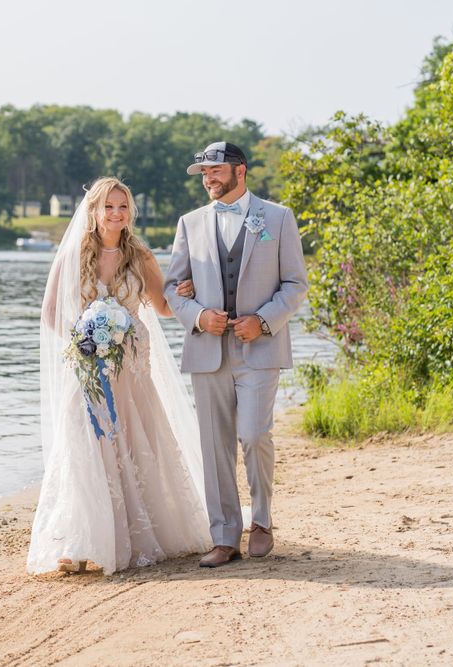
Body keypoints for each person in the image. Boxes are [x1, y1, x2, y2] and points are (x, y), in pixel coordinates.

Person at [27, 177, 210, 575]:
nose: (115, 213)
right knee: (83, 445)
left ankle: (136, 532)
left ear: (131, 212)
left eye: (122, 206)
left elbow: (163, 307)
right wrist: (84, 341)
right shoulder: (73, 254)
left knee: (135, 441)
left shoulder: (140, 255)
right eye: (108, 206)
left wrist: (185, 292)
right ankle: (79, 542)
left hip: (132, 369)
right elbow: (50, 312)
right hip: (87, 368)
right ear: (93, 211)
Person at [164, 142, 308, 567]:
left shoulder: (278, 218)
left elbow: (295, 284)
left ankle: (260, 521)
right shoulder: (189, 223)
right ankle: (225, 537)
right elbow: (173, 287)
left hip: (259, 349)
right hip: (207, 350)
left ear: (239, 170)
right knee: (214, 446)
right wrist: (198, 316)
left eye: (214, 170)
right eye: (203, 173)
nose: (208, 178)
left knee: (254, 434)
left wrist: (262, 321)